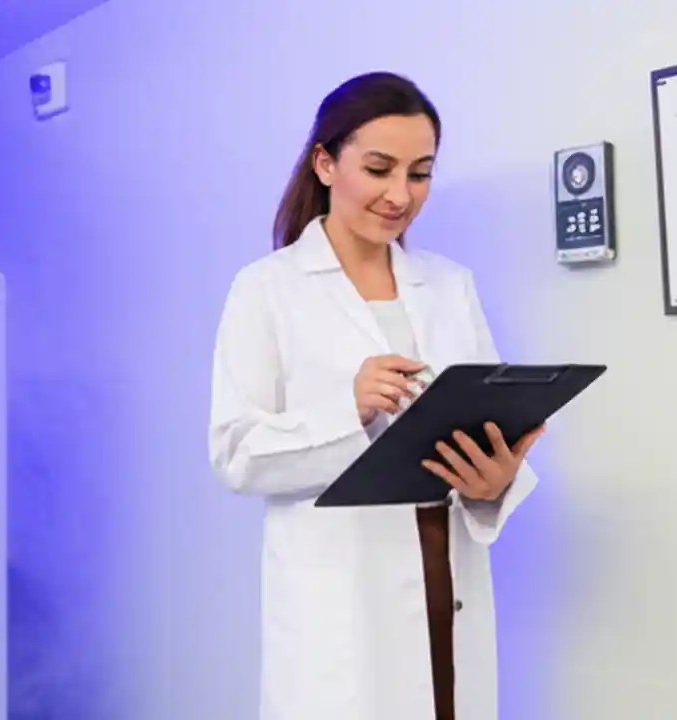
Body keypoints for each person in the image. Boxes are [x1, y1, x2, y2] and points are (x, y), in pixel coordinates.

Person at [208, 71, 546, 720]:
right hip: (342, 589)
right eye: (379, 168)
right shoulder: (267, 288)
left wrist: (496, 479)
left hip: (446, 569)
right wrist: (350, 408)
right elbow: (235, 452)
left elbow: (484, 419)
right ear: (326, 163)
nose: (400, 195)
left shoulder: (450, 285)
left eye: (419, 173)